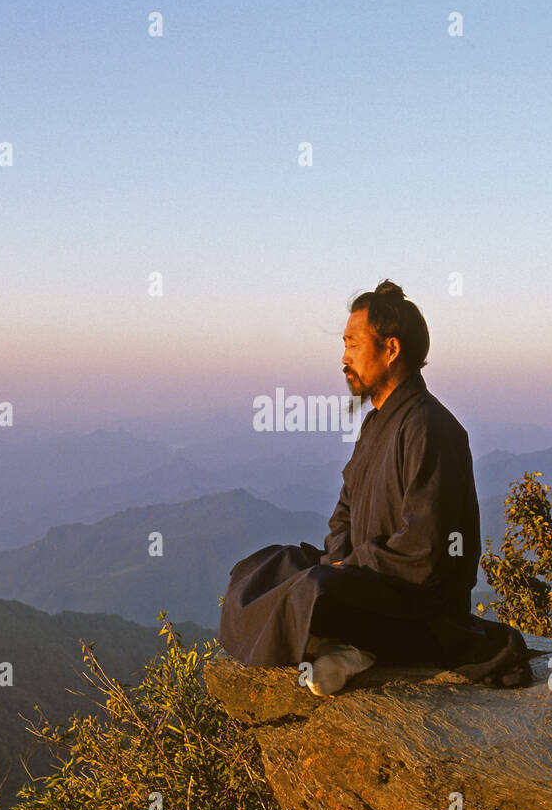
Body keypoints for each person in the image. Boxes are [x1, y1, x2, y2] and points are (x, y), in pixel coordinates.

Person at [218, 280, 531, 696]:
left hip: (415, 604)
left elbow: (425, 548)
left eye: (352, 344)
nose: (343, 357)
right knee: (266, 566)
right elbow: (345, 507)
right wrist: (339, 556)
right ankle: (342, 644)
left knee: (316, 589)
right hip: (366, 580)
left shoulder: (431, 428)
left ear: (391, 349)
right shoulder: (376, 423)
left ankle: (352, 647)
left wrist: (350, 567)